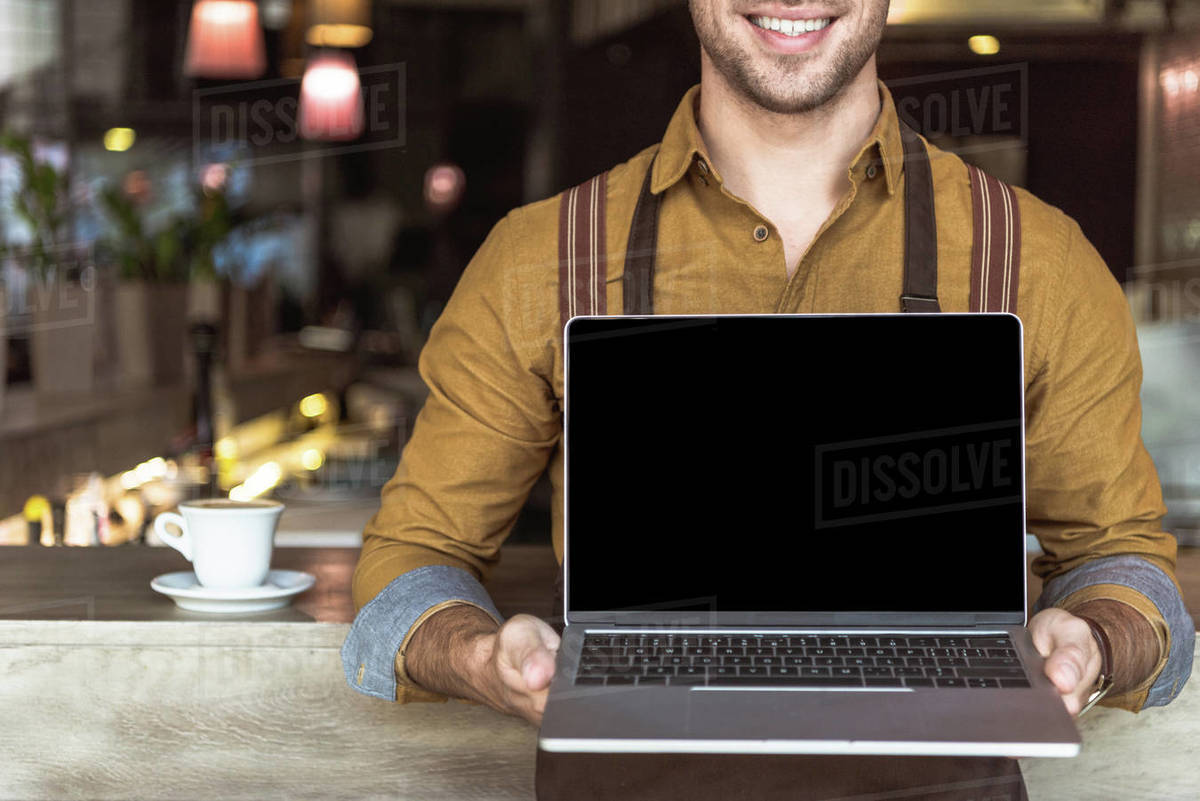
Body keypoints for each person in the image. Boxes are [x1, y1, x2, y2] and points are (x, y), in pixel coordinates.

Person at [341, 0, 1193, 726]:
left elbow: (1121, 561)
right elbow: (408, 566)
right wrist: (484, 658)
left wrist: (1096, 638)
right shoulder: (538, 259)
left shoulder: (1037, 259)